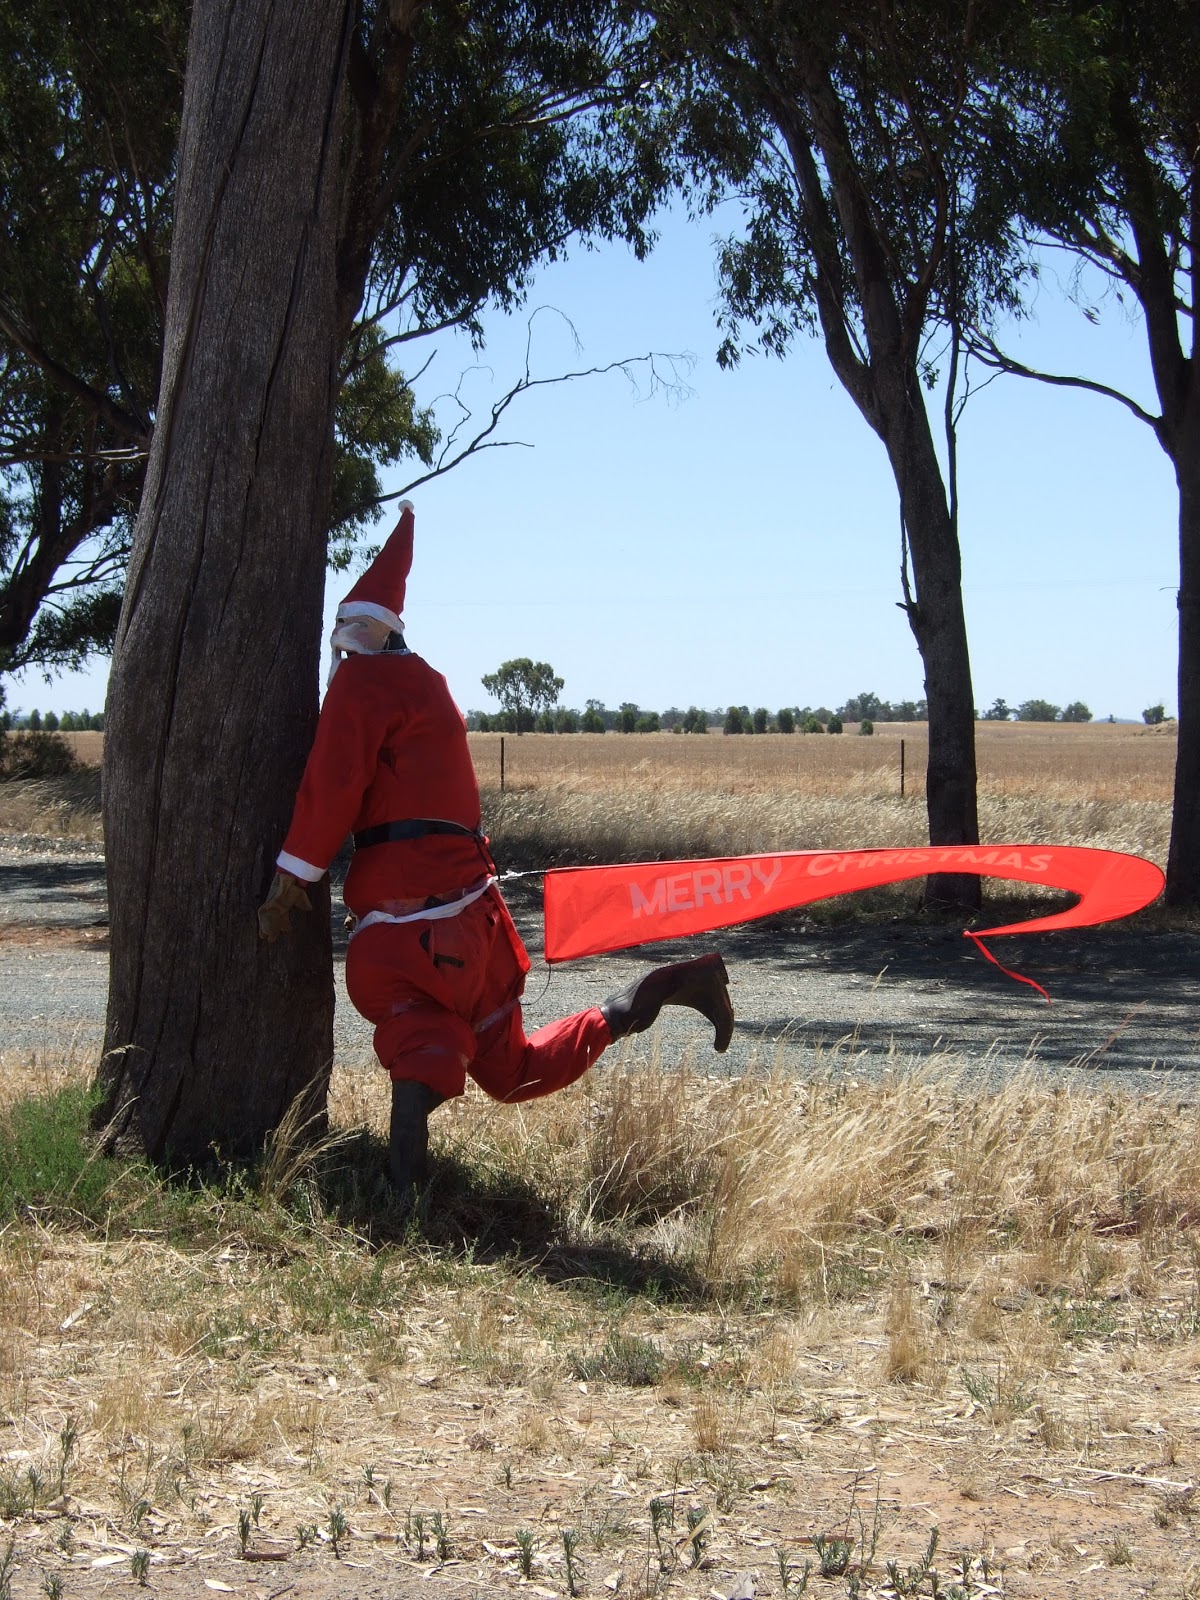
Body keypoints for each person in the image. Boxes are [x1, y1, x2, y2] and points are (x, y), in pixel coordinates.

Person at [258, 502, 734, 1192]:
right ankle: (658, 987)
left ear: (359, 634)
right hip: (476, 918)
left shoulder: (364, 682)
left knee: (412, 1020)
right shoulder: (433, 688)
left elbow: (333, 784)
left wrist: (291, 876)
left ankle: (404, 1200)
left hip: (416, 924)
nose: (334, 659)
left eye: (339, 642)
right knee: (513, 1071)